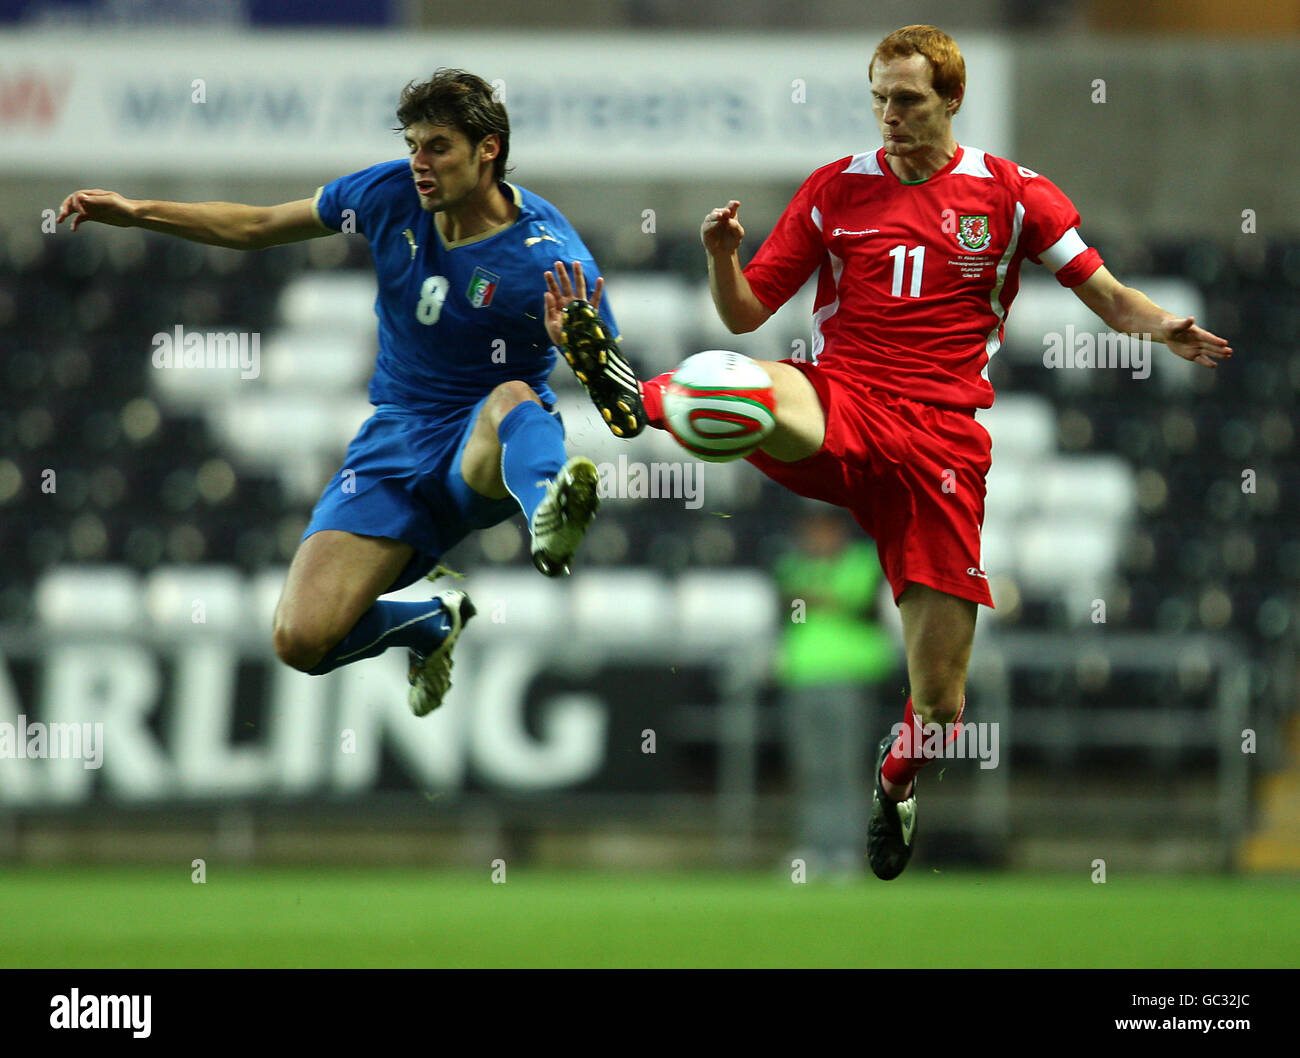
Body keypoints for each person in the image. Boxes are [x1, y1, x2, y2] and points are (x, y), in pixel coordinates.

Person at [552, 24, 1232, 879]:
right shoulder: (835, 190)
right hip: (846, 399)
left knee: (942, 702)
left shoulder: (1014, 194)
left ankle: (898, 781)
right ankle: (631, 395)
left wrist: (1161, 326)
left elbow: (1104, 294)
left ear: (951, 99)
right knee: (748, 380)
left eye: (907, 101)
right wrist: (724, 259)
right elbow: (743, 313)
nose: (890, 116)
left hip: (942, 443)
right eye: (878, 99)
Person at [58, 69, 616, 717]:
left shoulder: (546, 254)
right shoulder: (388, 194)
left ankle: (549, 512)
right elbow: (259, 225)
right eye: (413, 145)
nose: (419, 163)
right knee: (301, 640)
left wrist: (581, 345)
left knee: (511, 395)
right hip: (395, 440)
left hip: (484, 449)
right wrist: (136, 212)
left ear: (487, 149)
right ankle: (429, 622)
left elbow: (616, 387)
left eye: (438, 146)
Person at [774, 506, 898, 878]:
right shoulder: (793, 566)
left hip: (849, 677)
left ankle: (846, 850)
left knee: (844, 769)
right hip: (803, 677)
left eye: (825, 529)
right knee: (812, 769)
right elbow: (796, 603)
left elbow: (856, 602)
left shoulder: (862, 564)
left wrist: (817, 598)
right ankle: (815, 847)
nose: (818, 537)